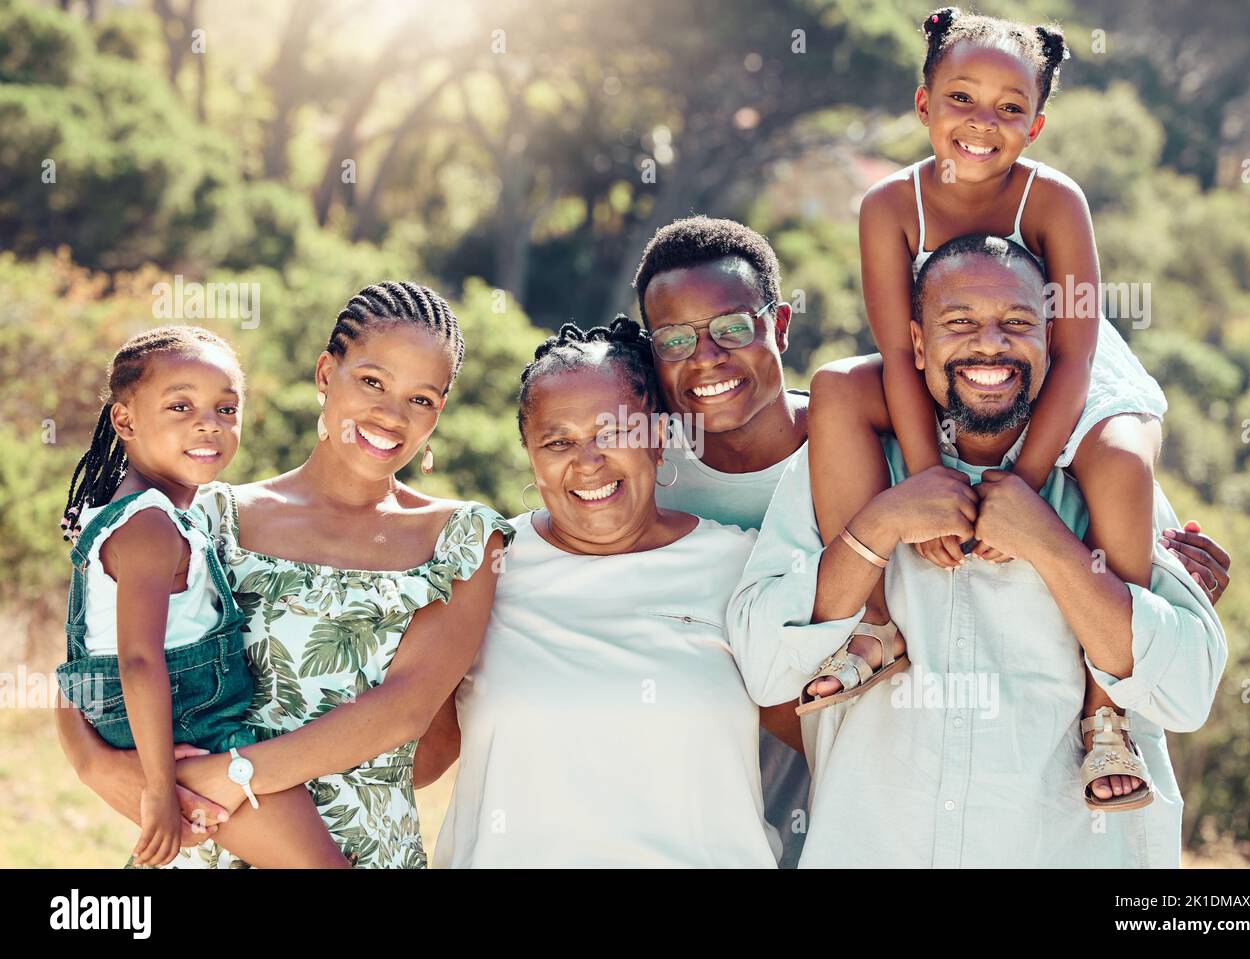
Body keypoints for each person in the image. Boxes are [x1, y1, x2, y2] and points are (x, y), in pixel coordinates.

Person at [727, 235, 1227, 867]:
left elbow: (1184, 693)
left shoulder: (1107, 475)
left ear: (1052, 339)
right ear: (916, 343)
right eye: (958, 322)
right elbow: (767, 666)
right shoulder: (844, 468)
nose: (989, 344)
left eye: (1016, 324)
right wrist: (878, 527)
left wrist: (1047, 542)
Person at [806, 7, 1167, 811]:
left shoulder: (1054, 200)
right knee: (833, 387)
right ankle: (873, 625)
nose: (982, 124)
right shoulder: (889, 206)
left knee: (1119, 454)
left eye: (1009, 109)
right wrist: (929, 484)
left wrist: (1026, 482)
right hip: (947, 360)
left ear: (1035, 125)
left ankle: (1108, 708)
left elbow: (1074, 353)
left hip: (1059, 363)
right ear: (923, 105)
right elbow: (900, 352)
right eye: (962, 99)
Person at [56, 282, 511, 868]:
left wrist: (231, 775)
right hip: (210, 841)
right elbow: (95, 656)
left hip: (356, 850)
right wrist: (96, 766)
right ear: (326, 374)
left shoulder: (464, 541)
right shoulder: (210, 516)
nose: (391, 415)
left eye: (421, 399)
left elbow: (405, 711)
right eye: (372, 382)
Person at [427, 319, 778, 867]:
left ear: (659, 437)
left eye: (613, 434)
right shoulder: (481, 566)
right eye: (558, 441)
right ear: (530, 454)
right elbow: (419, 759)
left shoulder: (741, 565)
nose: (587, 463)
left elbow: (823, 731)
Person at [55, 326, 346, 868]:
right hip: (193, 721)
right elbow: (137, 659)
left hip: (173, 717)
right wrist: (160, 791)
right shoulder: (150, 527)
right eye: (180, 406)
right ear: (125, 420)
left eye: (226, 409)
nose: (208, 424)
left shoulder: (141, 513)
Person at [631, 215, 815, 867]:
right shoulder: (641, 474)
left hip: (845, 811)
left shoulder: (853, 449)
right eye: (675, 339)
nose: (706, 358)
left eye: (733, 328)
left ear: (781, 325)